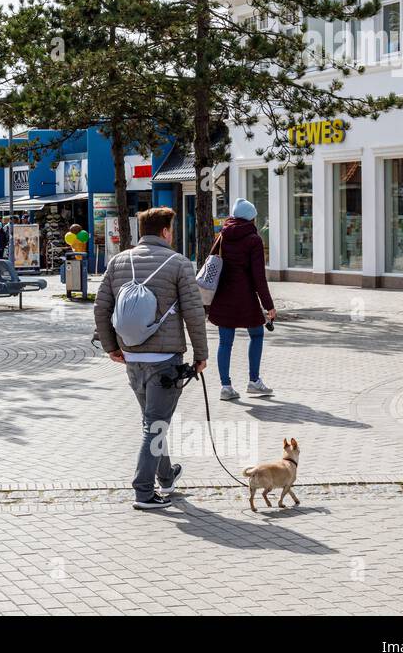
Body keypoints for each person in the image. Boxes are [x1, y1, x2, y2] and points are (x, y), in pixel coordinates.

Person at [94, 206, 208, 510]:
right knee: (155, 425)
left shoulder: (118, 262)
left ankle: (166, 476)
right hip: (165, 360)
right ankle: (144, 491)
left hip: (132, 357)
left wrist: (111, 347)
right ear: (166, 232)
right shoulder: (179, 263)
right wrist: (201, 355)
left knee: (154, 420)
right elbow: (194, 314)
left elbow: (100, 308)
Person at [207, 197, 276, 401]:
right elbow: (259, 278)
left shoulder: (223, 235)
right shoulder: (254, 240)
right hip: (246, 299)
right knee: (256, 335)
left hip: (223, 296)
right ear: (251, 219)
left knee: (225, 342)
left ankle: (226, 387)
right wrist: (268, 306)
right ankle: (254, 381)